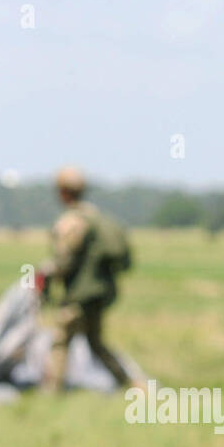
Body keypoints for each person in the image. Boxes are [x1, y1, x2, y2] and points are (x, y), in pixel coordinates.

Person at [37, 165, 136, 392]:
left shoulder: (72, 222)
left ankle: (51, 393)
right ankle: (132, 385)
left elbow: (64, 261)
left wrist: (46, 276)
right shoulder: (97, 217)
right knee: (96, 344)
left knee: (60, 341)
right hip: (100, 292)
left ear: (63, 192)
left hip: (79, 295)